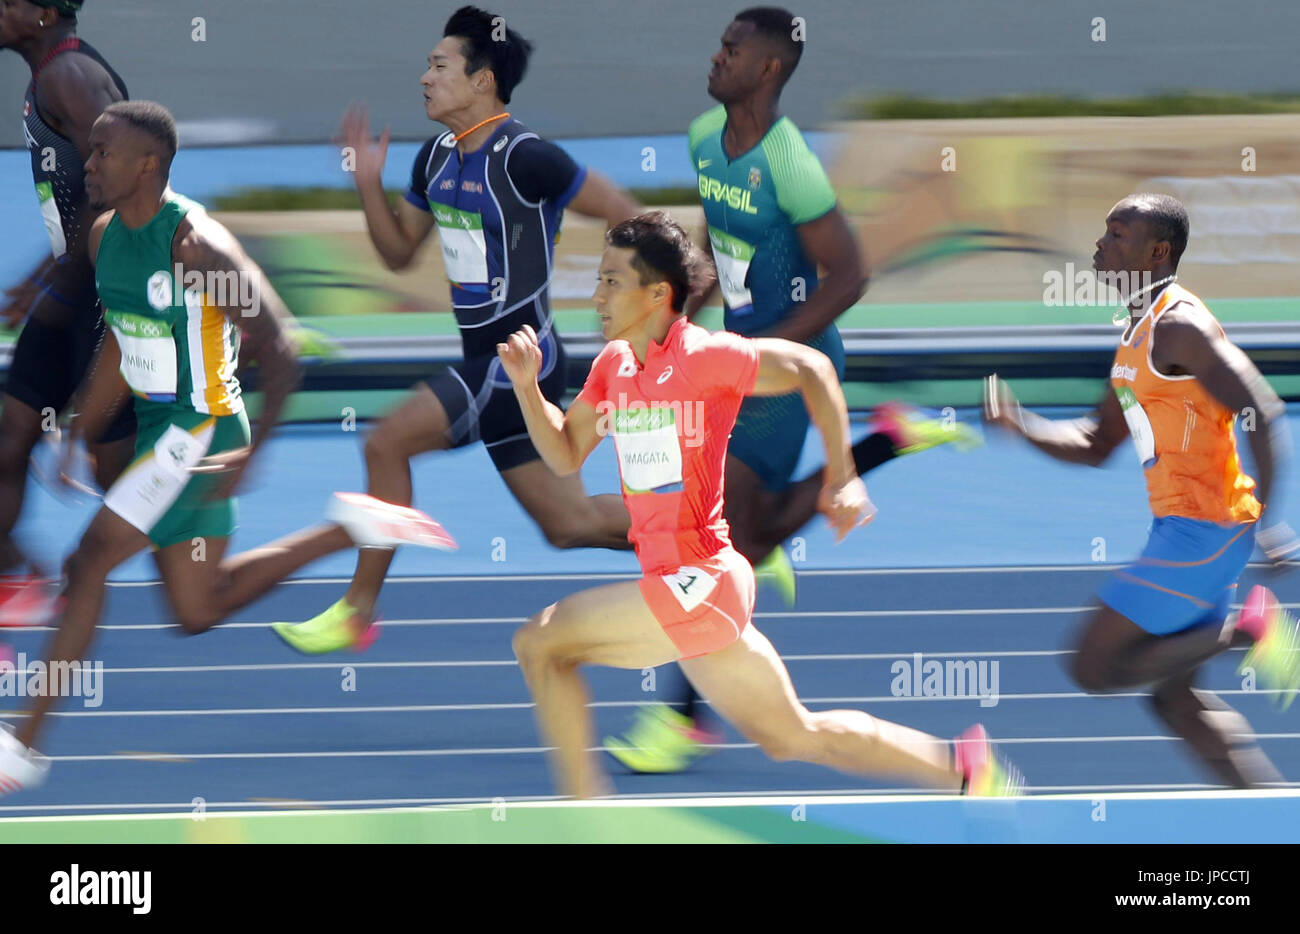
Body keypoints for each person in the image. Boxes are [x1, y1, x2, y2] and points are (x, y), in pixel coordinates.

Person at [0, 101, 448, 794]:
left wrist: (252, 452)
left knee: (87, 563)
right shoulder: (103, 237)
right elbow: (123, 339)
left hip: (202, 430)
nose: (88, 164)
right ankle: (349, 527)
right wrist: (82, 428)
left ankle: (21, 747)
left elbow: (282, 348)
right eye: (88, 152)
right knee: (198, 611)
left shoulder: (195, 246)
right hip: (161, 429)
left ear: (147, 164)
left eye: (102, 153)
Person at [499, 211, 1022, 798]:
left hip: (700, 581)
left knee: (541, 643)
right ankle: (965, 771)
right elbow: (566, 453)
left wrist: (843, 478)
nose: (595, 296)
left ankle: (587, 818)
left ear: (657, 294)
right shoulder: (614, 368)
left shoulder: (702, 358)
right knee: (795, 737)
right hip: (693, 592)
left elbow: (812, 366)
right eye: (598, 280)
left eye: (610, 282)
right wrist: (526, 387)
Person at [606, 6, 978, 772]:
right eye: (718, 44)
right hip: (732, 361)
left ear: (768, 69)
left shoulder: (789, 161)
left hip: (787, 367)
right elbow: (718, 239)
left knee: (706, 538)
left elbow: (851, 275)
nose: (715, 58)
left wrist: (765, 349)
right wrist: (684, 321)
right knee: (742, 532)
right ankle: (884, 439)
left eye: (731, 50)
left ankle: (683, 717)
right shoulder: (706, 139)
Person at [273, 5, 646, 654]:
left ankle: (359, 609)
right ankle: (717, 533)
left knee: (386, 445)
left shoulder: (529, 159)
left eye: (439, 66)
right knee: (572, 525)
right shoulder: (434, 159)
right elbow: (397, 252)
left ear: (483, 80)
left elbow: (624, 215)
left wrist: (623, 303)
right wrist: (366, 181)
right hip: (489, 365)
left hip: (521, 361)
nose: (424, 77)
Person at [985, 193, 1300, 788]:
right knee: (1178, 706)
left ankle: (1248, 630)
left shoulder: (1179, 326)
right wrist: (1022, 424)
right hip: (1187, 532)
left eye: (1117, 234)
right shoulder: (1137, 334)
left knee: (1094, 667)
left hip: (1205, 532)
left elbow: (1261, 407)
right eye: (1104, 231)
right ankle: (1276, 813)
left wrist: (1270, 519)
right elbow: (1096, 443)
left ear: (1157, 252)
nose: (1099, 245)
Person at [0, 0, 136, 624]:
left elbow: (113, 189)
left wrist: (48, 281)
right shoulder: (50, 75)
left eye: (9, 4)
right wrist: (46, 279)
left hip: (103, 296)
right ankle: (12, 578)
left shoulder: (69, 77)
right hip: (73, 289)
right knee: (11, 432)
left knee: (117, 476)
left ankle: (202, 513)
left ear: (47, 14)